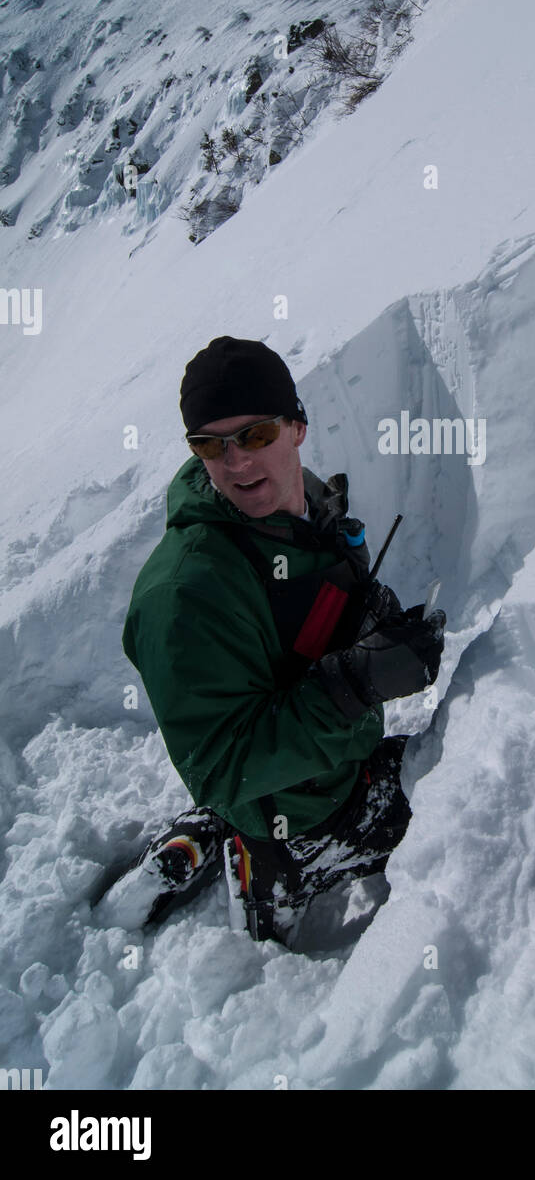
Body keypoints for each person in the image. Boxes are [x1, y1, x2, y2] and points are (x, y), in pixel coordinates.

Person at [100, 335, 445, 947]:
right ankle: (283, 861)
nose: (235, 462)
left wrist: (369, 626)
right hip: (308, 804)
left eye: (255, 435)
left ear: (297, 428)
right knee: (454, 796)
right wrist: (356, 683)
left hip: (319, 766)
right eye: (210, 445)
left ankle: (223, 833)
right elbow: (221, 764)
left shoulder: (303, 501)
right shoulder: (184, 594)